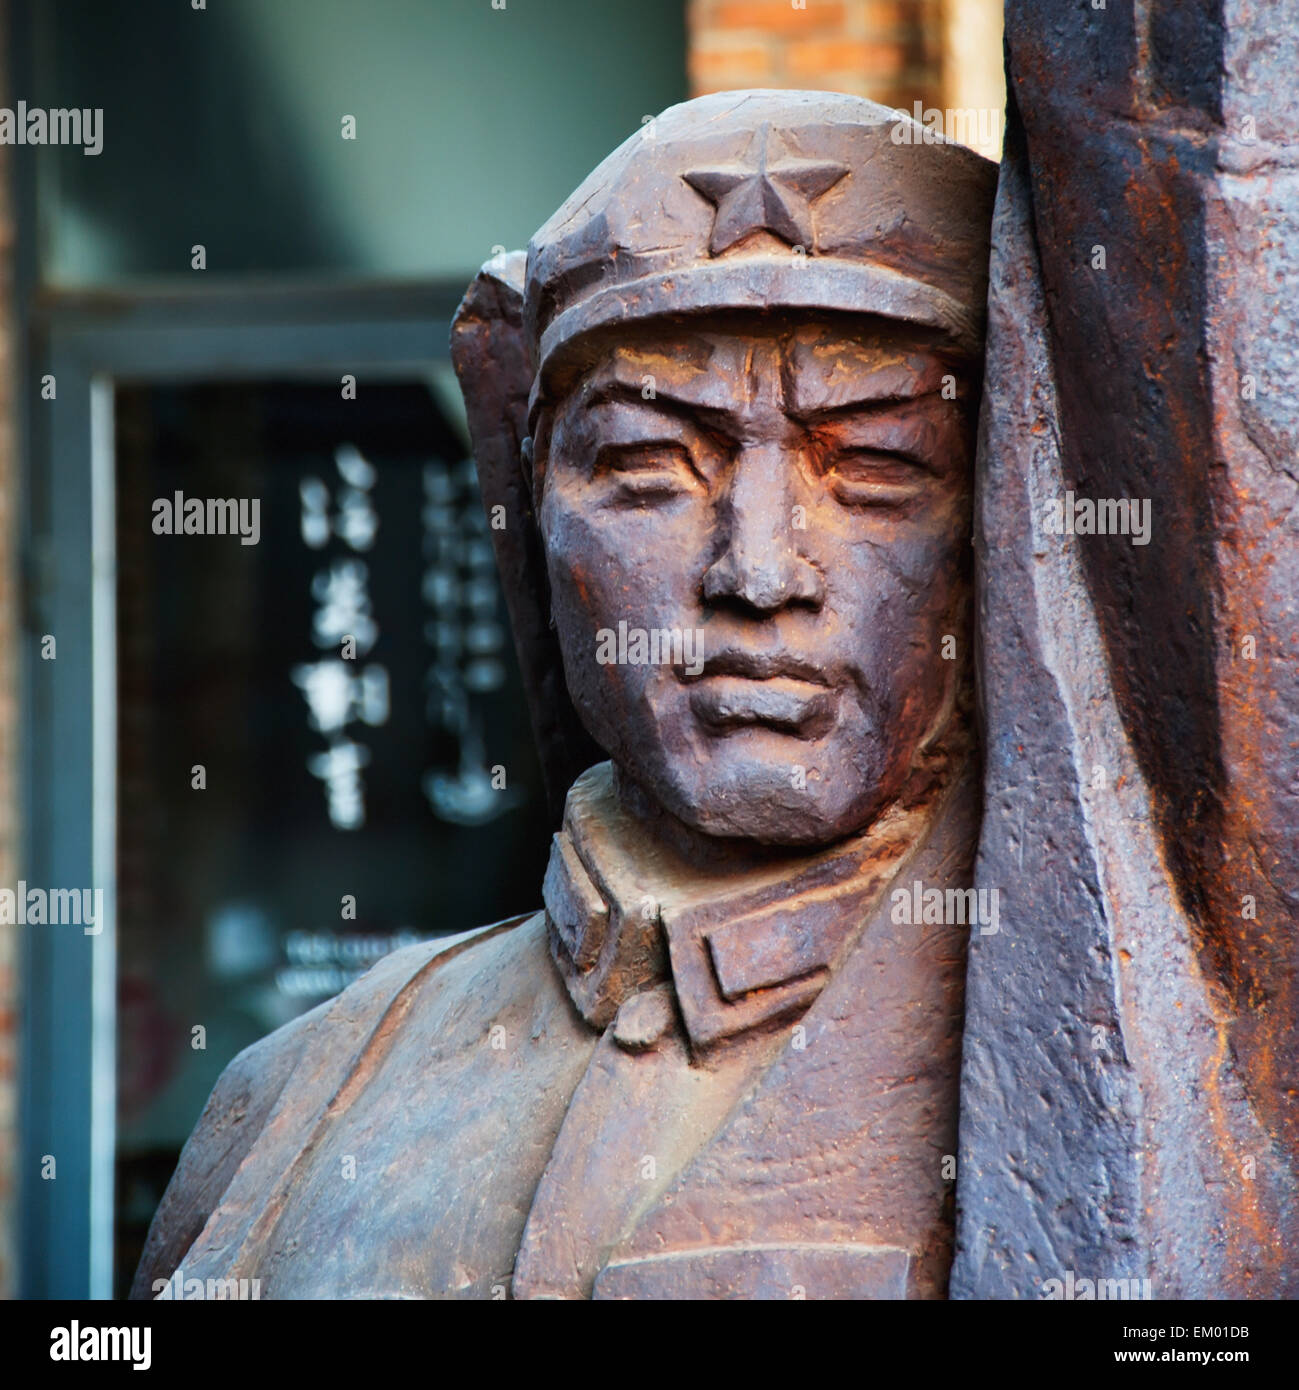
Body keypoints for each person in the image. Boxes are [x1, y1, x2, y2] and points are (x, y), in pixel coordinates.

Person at [132, 89, 996, 1301]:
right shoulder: (297, 1100)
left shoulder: (1095, 1076)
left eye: (876, 468)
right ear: (534, 510)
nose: (757, 570)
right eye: (649, 464)